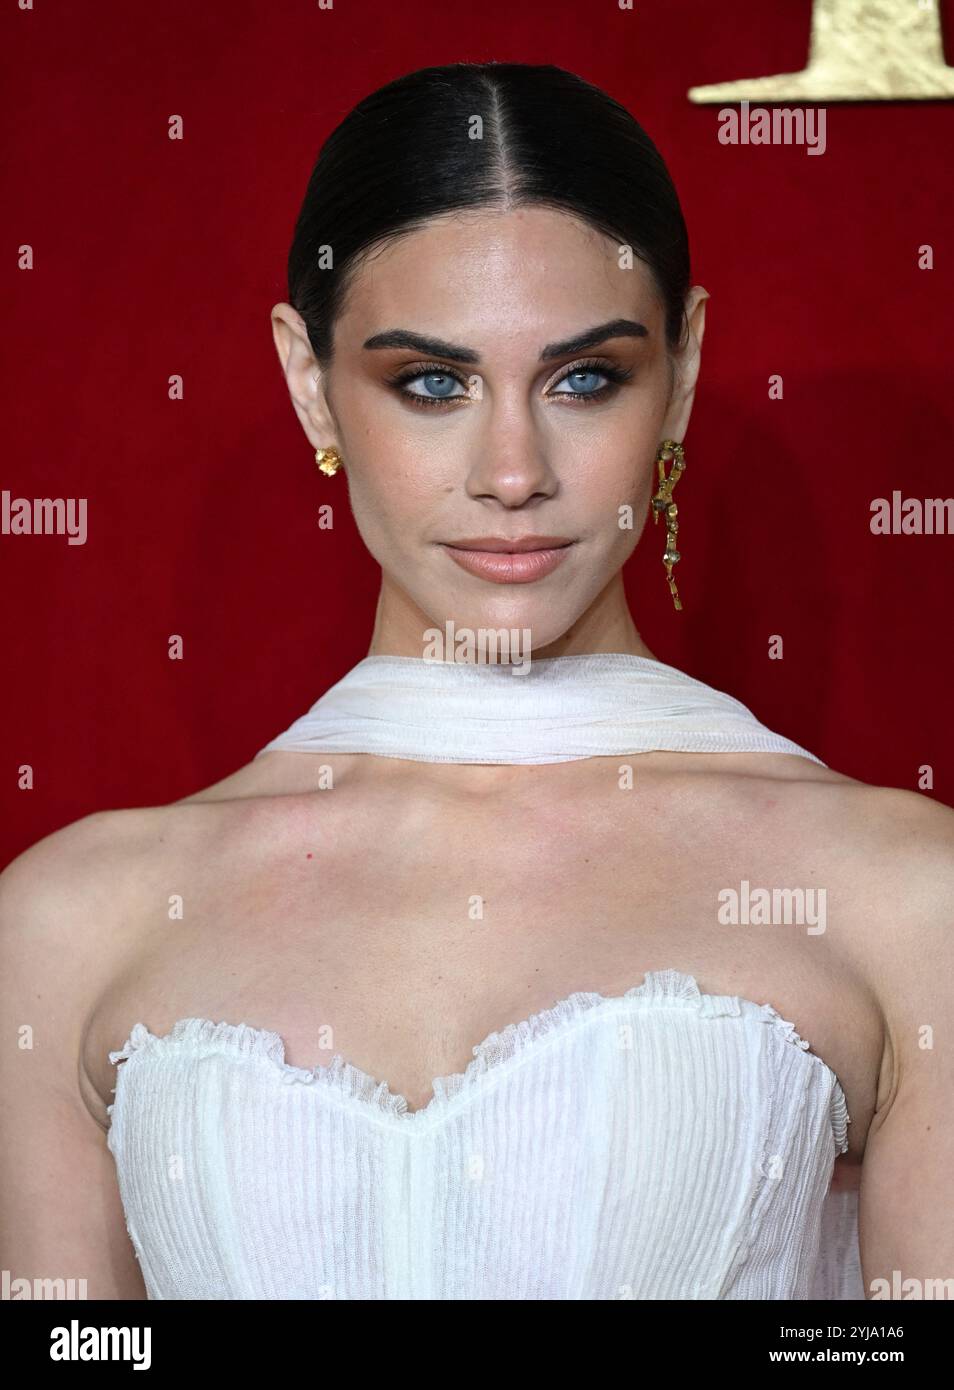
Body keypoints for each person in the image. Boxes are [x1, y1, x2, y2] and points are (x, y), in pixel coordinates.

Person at [1, 61, 951, 1302]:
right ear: (307, 379)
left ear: (689, 367)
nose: (513, 472)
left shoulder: (901, 899)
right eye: (433, 383)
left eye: (585, 377)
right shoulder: (68, 923)